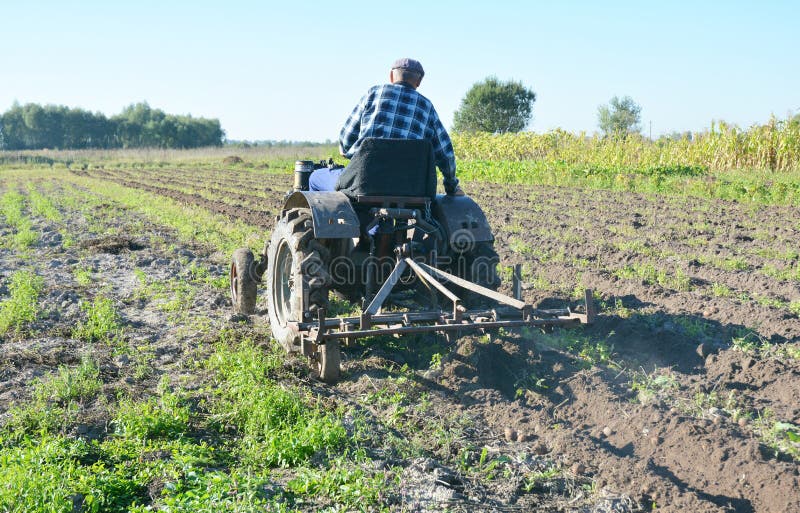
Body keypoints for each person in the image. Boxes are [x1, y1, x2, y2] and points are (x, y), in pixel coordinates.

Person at [309, 58, 464, 196]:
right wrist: (451, 186)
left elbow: (346, 139)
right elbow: (446, 154)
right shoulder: (427, 107)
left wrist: (354, 154)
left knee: (315, 178)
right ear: (419, 82)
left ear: (391, 76)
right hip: (412, 188)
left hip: (364, 183)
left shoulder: (374, 93)